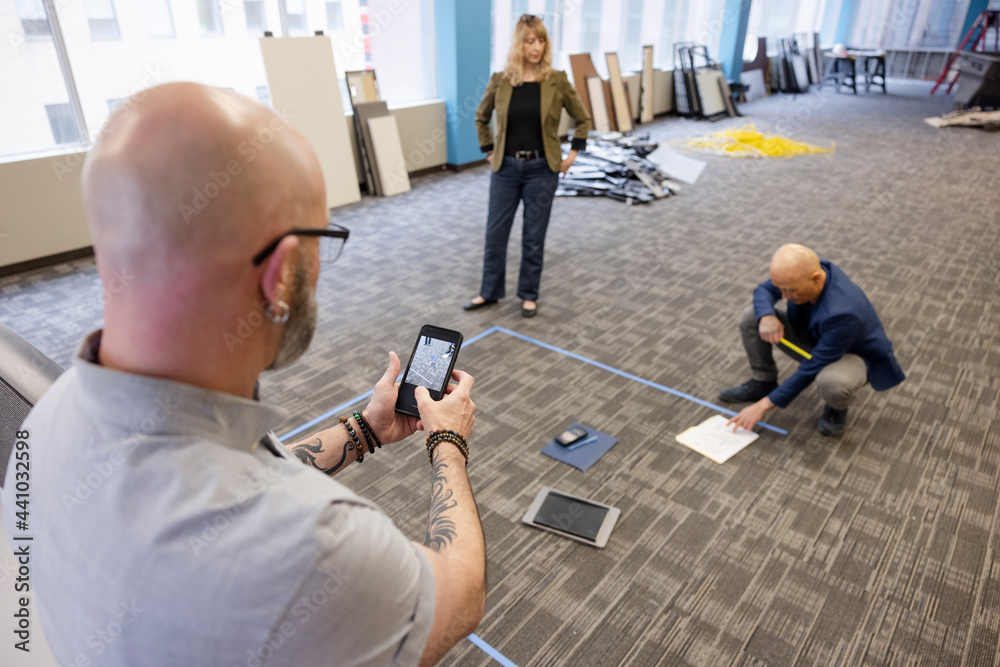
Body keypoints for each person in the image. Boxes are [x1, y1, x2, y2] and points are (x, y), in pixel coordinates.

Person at [1, 83, 485, 666]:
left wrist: (365, 429)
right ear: (280, 275)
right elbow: (458, 596)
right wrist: (448, 441)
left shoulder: (46, 413)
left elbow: (252, 473)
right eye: (320, 241)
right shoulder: (315, 549)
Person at [463, 14, 591, 318]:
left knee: (534, 236)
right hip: (505, 169)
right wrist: (488, 149)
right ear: (519, 44)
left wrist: (573, 153)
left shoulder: (556, 79)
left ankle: (529, 293)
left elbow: (582, 118)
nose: (536, 47)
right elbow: (481, 117)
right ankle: (489, 291)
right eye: (530, 41)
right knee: (495, 234)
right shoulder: (501, 79)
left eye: (541, 40)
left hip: (542, 170)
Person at [720, 244, 905, 436]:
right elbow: (764, 290)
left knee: (833, 381)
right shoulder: (807, 271)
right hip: (815, 336)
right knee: (753, 316)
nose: (783, 296)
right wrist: (767, 316)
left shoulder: (844, 312)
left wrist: (763, 406)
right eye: (780, 289)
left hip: (853, 355)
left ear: (816, 279)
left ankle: (836, 408)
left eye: (790, 292)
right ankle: (763, 382)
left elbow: (813, 365)